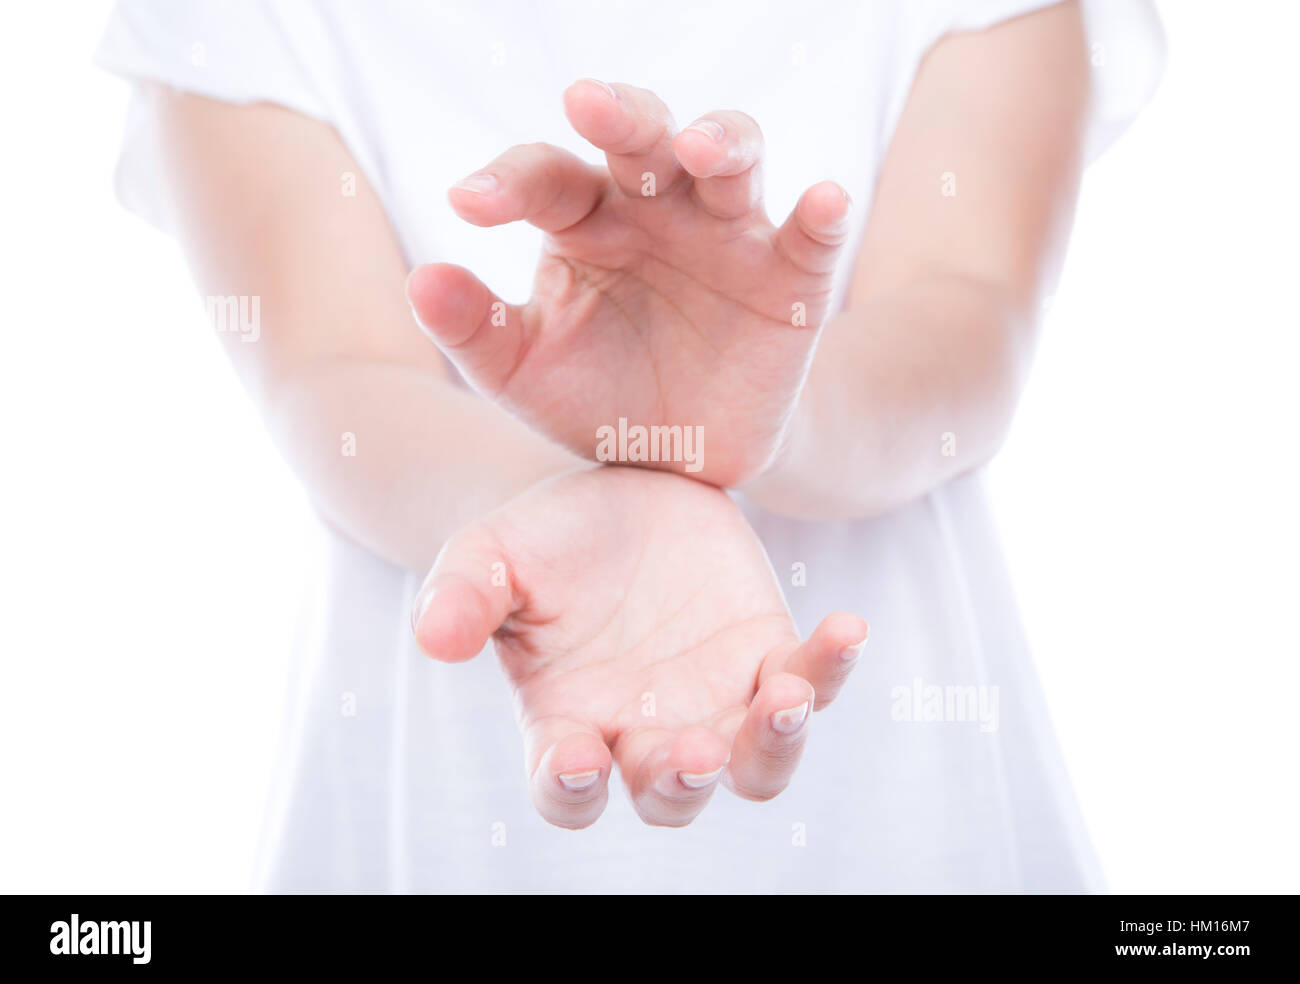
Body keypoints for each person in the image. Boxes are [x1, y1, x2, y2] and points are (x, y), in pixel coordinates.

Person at [96, 0, 1164, 892]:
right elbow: (335, 380)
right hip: (447, 802)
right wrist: (590, 518)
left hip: (896, 803)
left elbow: (967, 316)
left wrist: (759, 415)